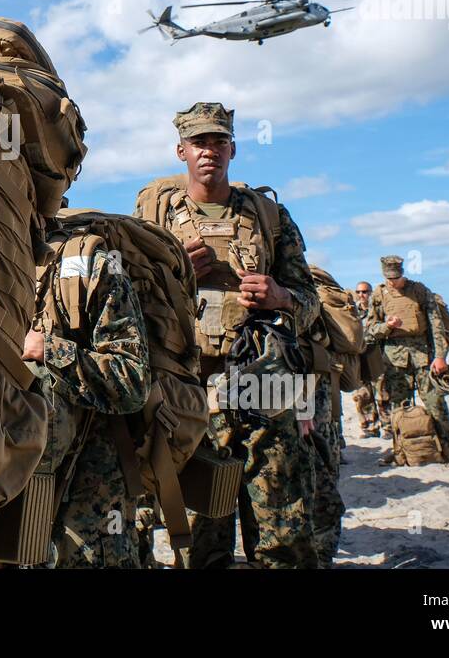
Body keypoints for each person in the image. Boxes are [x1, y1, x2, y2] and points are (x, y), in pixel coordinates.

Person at [135, 102, 321, 568]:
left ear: (233, 148)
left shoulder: (269, 216)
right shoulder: (153, 215)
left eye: (219, 141)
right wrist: (176, 277)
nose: (209, 151)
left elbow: (310, 302)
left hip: (266, 381)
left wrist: (281, 295)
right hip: (191, 387)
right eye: (199, 142)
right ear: (181, 151)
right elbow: (129, 302)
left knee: (282, 521)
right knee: (202, 531)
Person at [24, 221, 151, 568]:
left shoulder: (90, 260)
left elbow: (133, 380)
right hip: (5, 479)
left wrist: (49, 351)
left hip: (87, 497)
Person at [366, 256, 449, 466]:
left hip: (423, 356)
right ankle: (400, 450)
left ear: (402, 273)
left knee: (435, 403)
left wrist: (439, 356)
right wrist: (387, 327)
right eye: (389, 278)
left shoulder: (419, 290)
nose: (393, 282)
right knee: (397, 407)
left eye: (396, 277)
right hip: (394, 359)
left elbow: (436, 325)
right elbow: (370, 330)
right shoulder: (379, 295)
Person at [350, 281, 386, 437]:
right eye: (358, 292)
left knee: (383, 392)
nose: (361, 295)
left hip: (377, 353)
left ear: (370, 293)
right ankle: (370, 426)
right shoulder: (352, 312)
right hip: (359, 355)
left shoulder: (378, 310)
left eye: (364, 292)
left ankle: (388, 426)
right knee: (363, 394)